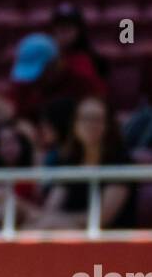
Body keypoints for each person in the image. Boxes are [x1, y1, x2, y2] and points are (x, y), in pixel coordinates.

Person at [30, 95, 135, 230]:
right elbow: (52, 206)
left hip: (105, 235)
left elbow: (103, 218)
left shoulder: (120, 162)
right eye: (84, 119)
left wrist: (56, 219)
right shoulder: (70, 160)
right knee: (5, 201)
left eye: (97, 119)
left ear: (108, 125)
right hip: (64, 226)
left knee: (48, 223)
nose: (90, 125)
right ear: (74, 124)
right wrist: (43, 216)